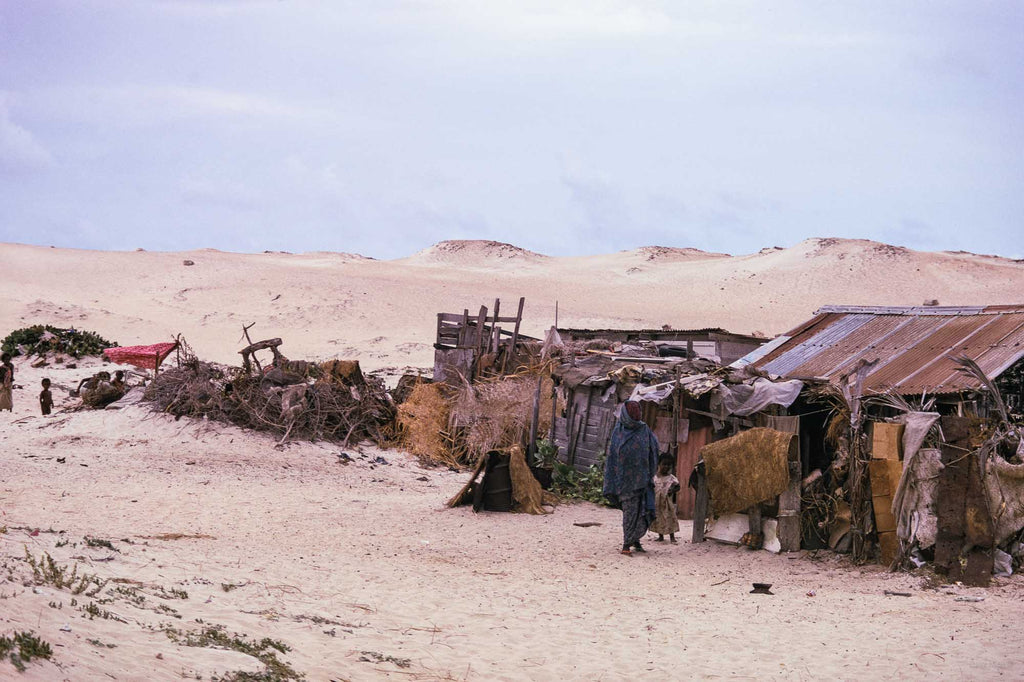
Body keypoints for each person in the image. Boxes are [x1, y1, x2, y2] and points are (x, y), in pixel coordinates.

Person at [603, 400, 659, 555]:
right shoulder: (618, 431)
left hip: (642, 479)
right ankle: (626, 544)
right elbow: (613, 455)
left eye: (637, 411)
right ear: (626, 414)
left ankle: (636, 541)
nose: (636, 414)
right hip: (624, 481)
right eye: (633, 412)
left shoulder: (644, 429)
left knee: (641, 510)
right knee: (629, 512)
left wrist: (649, 470)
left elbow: (654, 449)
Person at [650, 455, 681, 543]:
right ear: (659, 464)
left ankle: (672, 537)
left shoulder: (671, 478)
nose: (666, 467)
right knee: (658, 518)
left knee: (670, 518)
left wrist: (672, 490)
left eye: (669, 465)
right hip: (657, 502)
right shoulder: (654, 477)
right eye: (664, 464)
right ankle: (661, 536)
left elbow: (678, 487)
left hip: (667, 503)